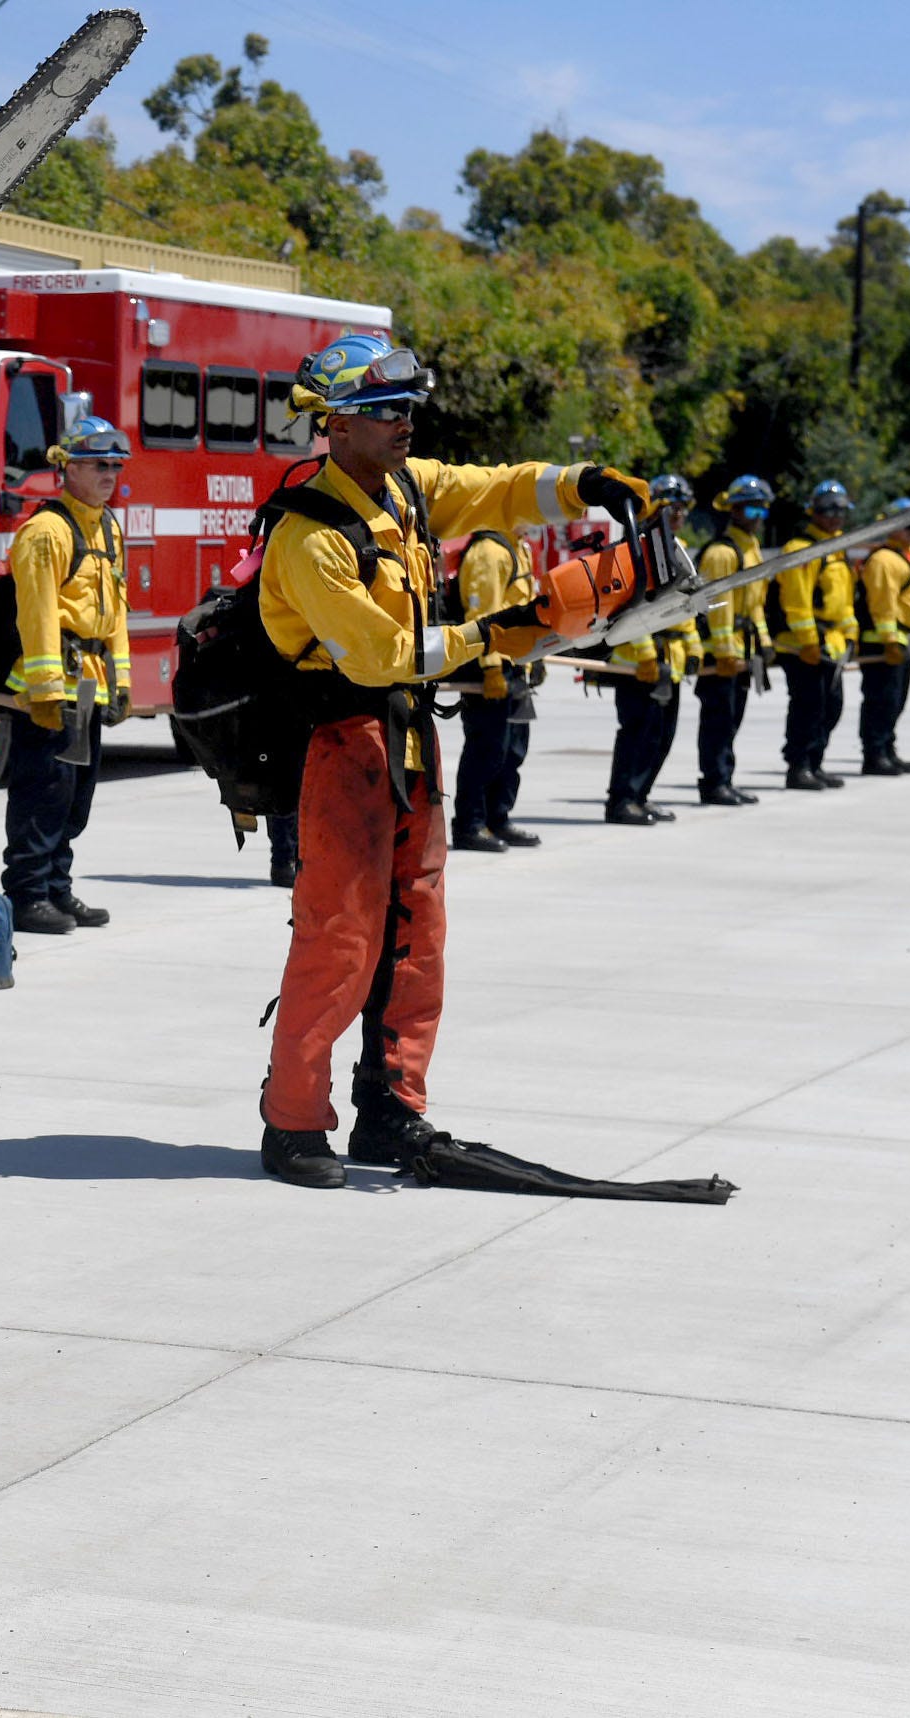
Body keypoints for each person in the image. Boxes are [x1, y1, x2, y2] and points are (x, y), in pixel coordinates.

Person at [254, 332, 646, 1188]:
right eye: (385, 411)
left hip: (405, 741)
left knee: (416, 934)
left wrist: (586, 484)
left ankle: (391, 1107)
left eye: (407, 408)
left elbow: (498, 489)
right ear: (338, 426)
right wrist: (500, 631)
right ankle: (293, 1123)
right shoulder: (309, 536)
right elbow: (380, 654)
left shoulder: (407, 488)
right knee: (340, 940)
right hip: (340, 741)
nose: (405, 423)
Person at [1, 415, 133, 934]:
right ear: (69, 468)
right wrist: (47, 693)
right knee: (43, 794)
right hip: (52, 694)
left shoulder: (108, 526)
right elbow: (36, 616)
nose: (109, 474)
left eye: (115, 465)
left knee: (75, 797)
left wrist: (122, 683)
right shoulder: (45, 532)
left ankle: (57, 888)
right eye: (98, 465)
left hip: (89, 690)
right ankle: (27, 894)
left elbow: (116, 612)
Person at [603, 475, 700, 826]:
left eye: (683, 507)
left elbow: (685, 604)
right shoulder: (636, 548)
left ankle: (640, 796)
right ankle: (621, 801)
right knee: (637, 733)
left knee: (661, 736)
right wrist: (645, 654)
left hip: (669, 661)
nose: (678, 514)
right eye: (672, 507)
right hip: (639, 664)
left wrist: (693, 646)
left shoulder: (678, 548)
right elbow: (631, 607)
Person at [448, 528, 541, 852]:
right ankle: (470, 824)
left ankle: (497, 818)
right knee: (486, 749)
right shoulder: (489, 550)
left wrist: (535, 658)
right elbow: (481, 616)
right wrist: (490, 667)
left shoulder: (518, 546)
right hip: (491, 666)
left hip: (516, 663)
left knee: (513, 750)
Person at [692, 475, 772, 806]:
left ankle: (725, 779)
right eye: (752, 510)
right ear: (734, 511)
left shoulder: (751, 549)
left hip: (741, 650)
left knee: (731, 721)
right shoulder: (722, 553)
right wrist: (724, 653)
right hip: (720, 655)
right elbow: (719, 608)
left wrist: (764, 641)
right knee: (718, 722)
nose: (757, 517)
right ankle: (714, 782)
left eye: (762, 511)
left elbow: (754, 604)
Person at [771, 479, 855, 790]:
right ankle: (799, 766)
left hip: (830, 643)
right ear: (813, 512)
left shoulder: (837, 549)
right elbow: (796, 603)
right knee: (807, 707)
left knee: (831, 707)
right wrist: (809, 642)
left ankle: (815, 762)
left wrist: (850, 634)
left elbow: (843, 600)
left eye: (841, 511)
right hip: (801, 646)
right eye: (828, 511)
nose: (835, 517)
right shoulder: (801, 550)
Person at [855, 498, 910, 775]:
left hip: (903, 639)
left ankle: (887, 748)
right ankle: (874, 755)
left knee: (895, 701)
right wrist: (889, 641)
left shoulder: (908, 557)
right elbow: (883, 604)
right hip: (883, 643)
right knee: (880, 701)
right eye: (908, 525)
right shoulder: (884, 560)